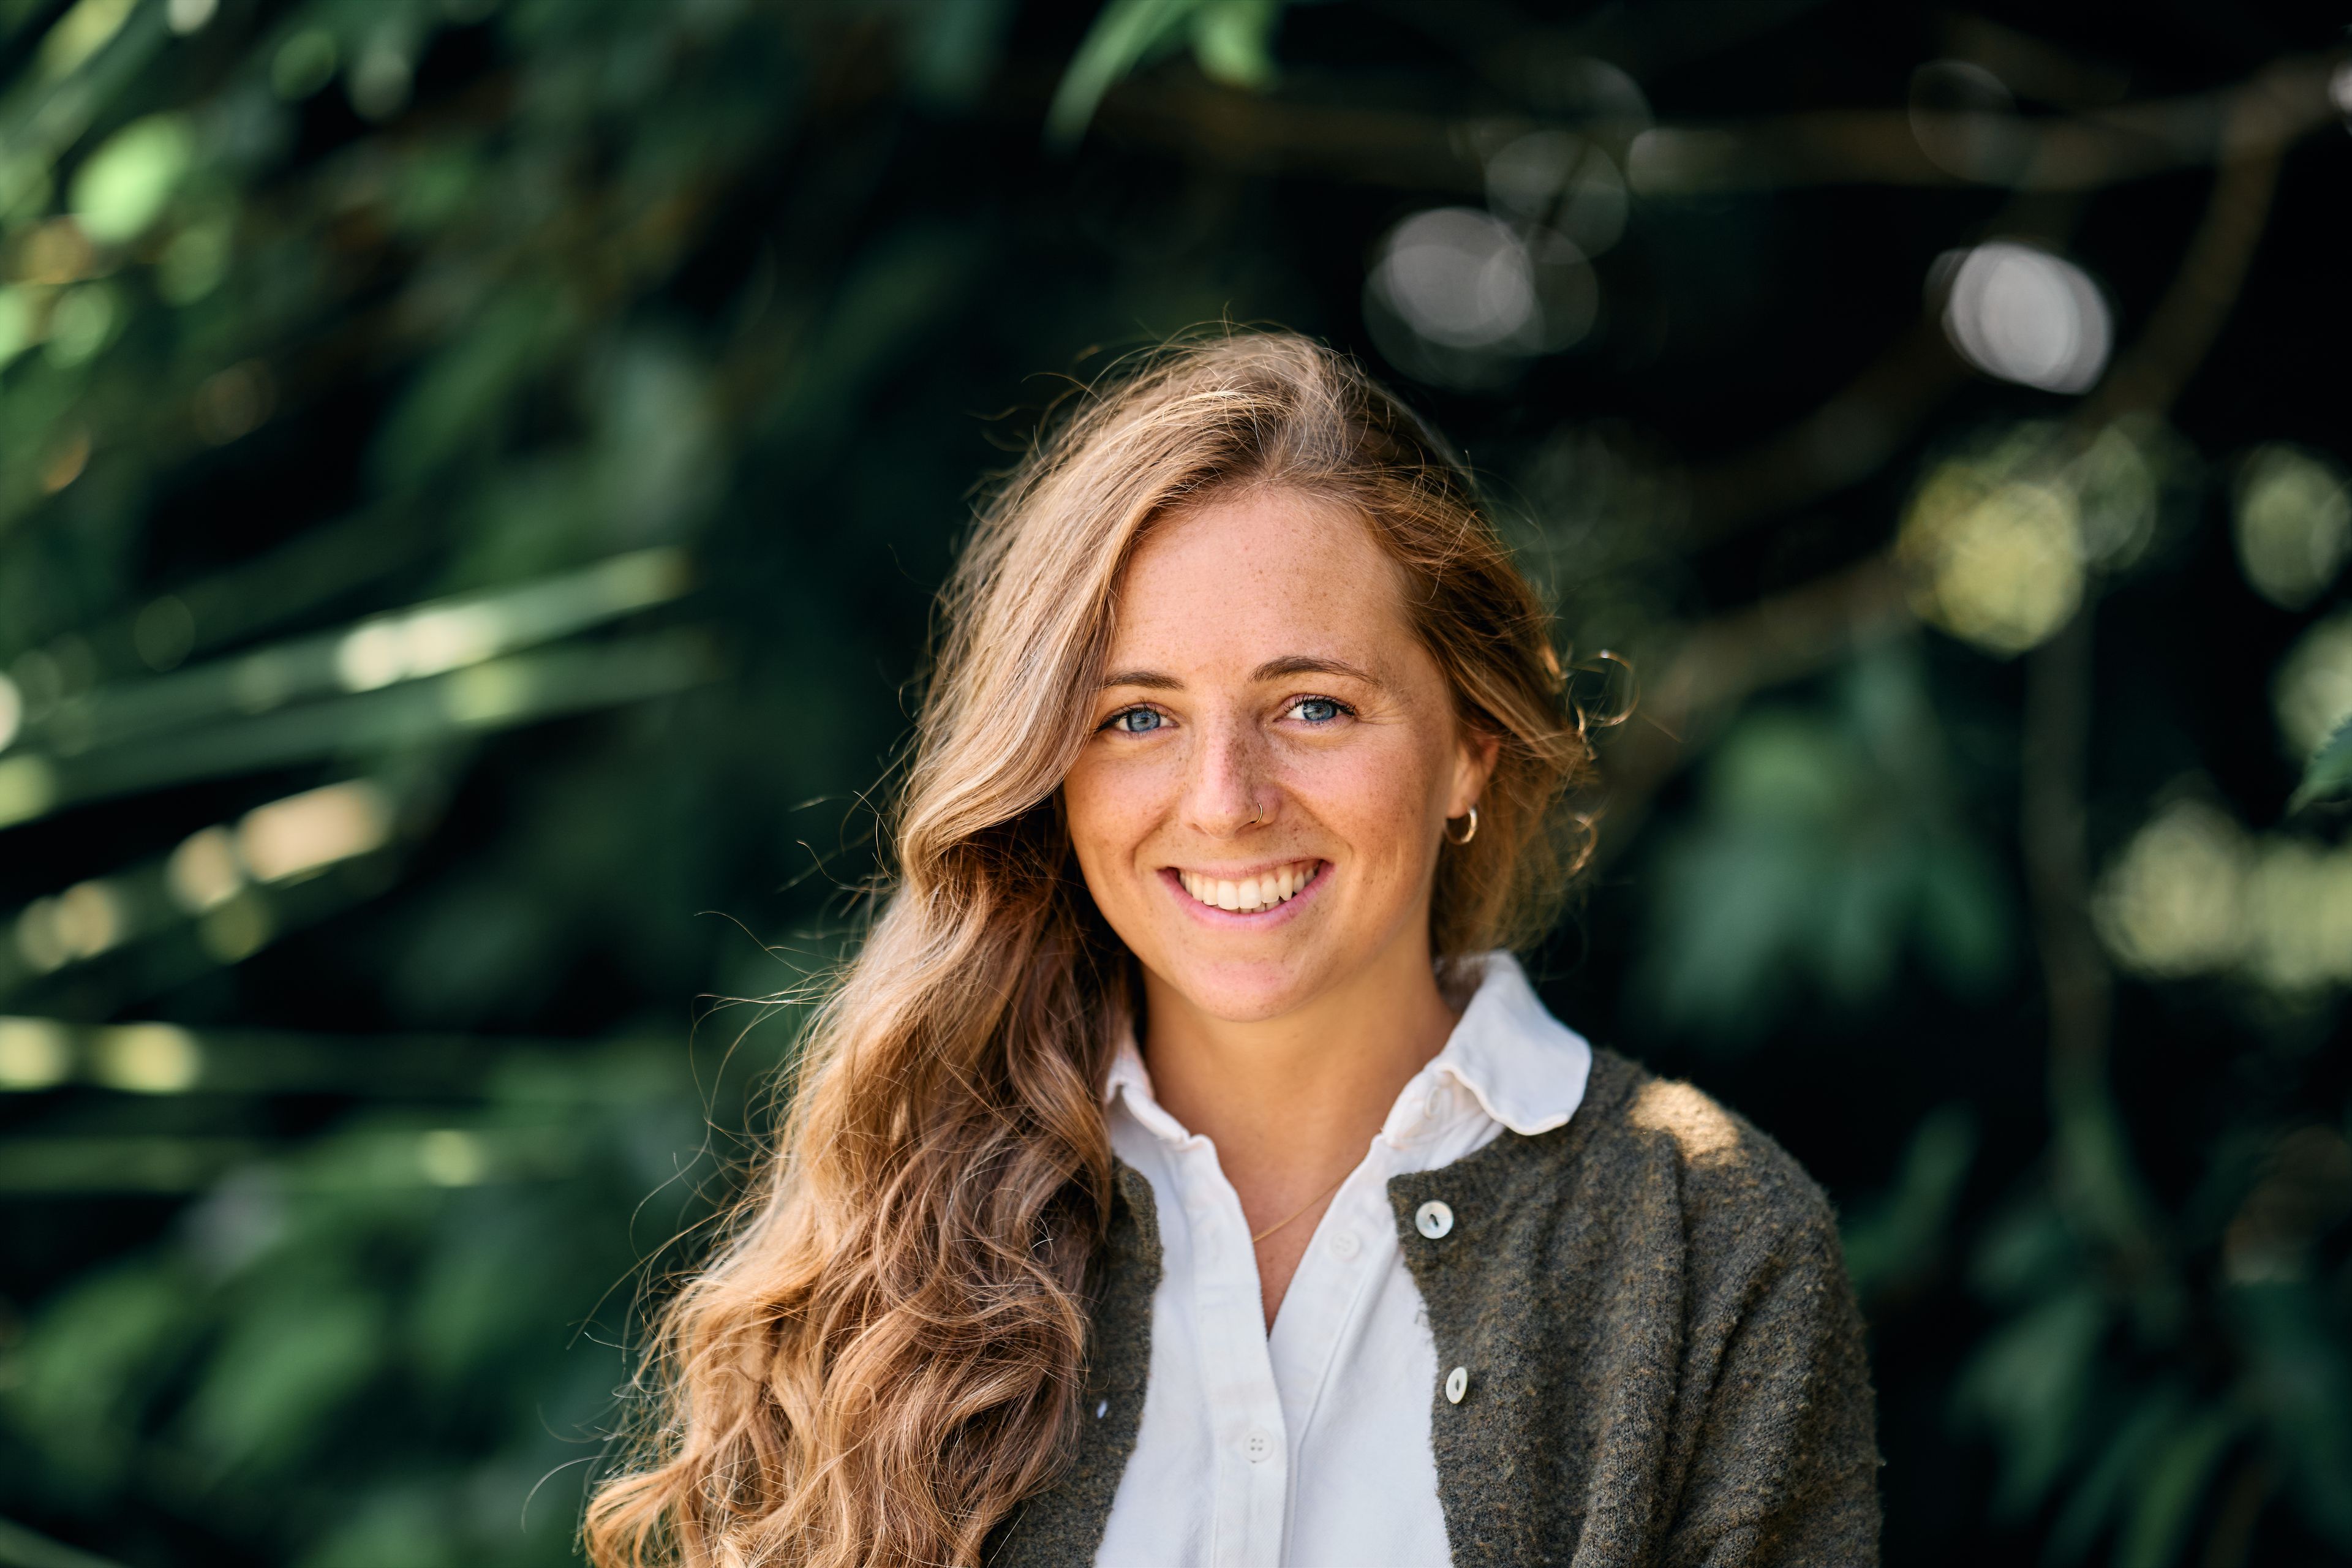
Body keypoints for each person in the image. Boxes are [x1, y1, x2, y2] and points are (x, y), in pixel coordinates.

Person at [585, 330, 1880, 1568]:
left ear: (1468, 744)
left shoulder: (1707, 1242)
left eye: (1311, 705)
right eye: (1138, 716)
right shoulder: (900, 1232)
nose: (1223, 799)